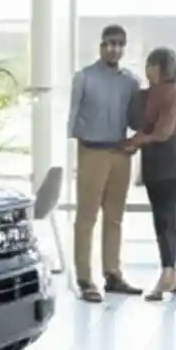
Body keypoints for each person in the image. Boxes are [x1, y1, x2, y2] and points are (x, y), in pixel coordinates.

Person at [68, 24, 143, 302]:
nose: (114, 48)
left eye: (119, 44)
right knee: (86, 216)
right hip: (92, 152)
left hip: (120, 154)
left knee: (115, 218)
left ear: (124, 48)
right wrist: (83, 145)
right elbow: (73, 118)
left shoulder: (131, 82)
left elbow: (136, 120)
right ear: (101, 46)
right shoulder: (84, 77)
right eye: (110, 43)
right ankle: (85, 278)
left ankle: (113, 274)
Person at [122, 48, 176, 302]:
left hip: (171, 162)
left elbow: (163, 131)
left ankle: (168, 273)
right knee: (161, 219)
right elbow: (133, 120)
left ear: (164, 67)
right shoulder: (145, 94)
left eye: (152, 64)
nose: (147, 68)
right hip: (152, 164)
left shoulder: (175, 94)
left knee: (166, 217)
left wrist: (136, 141)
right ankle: (170, 273)